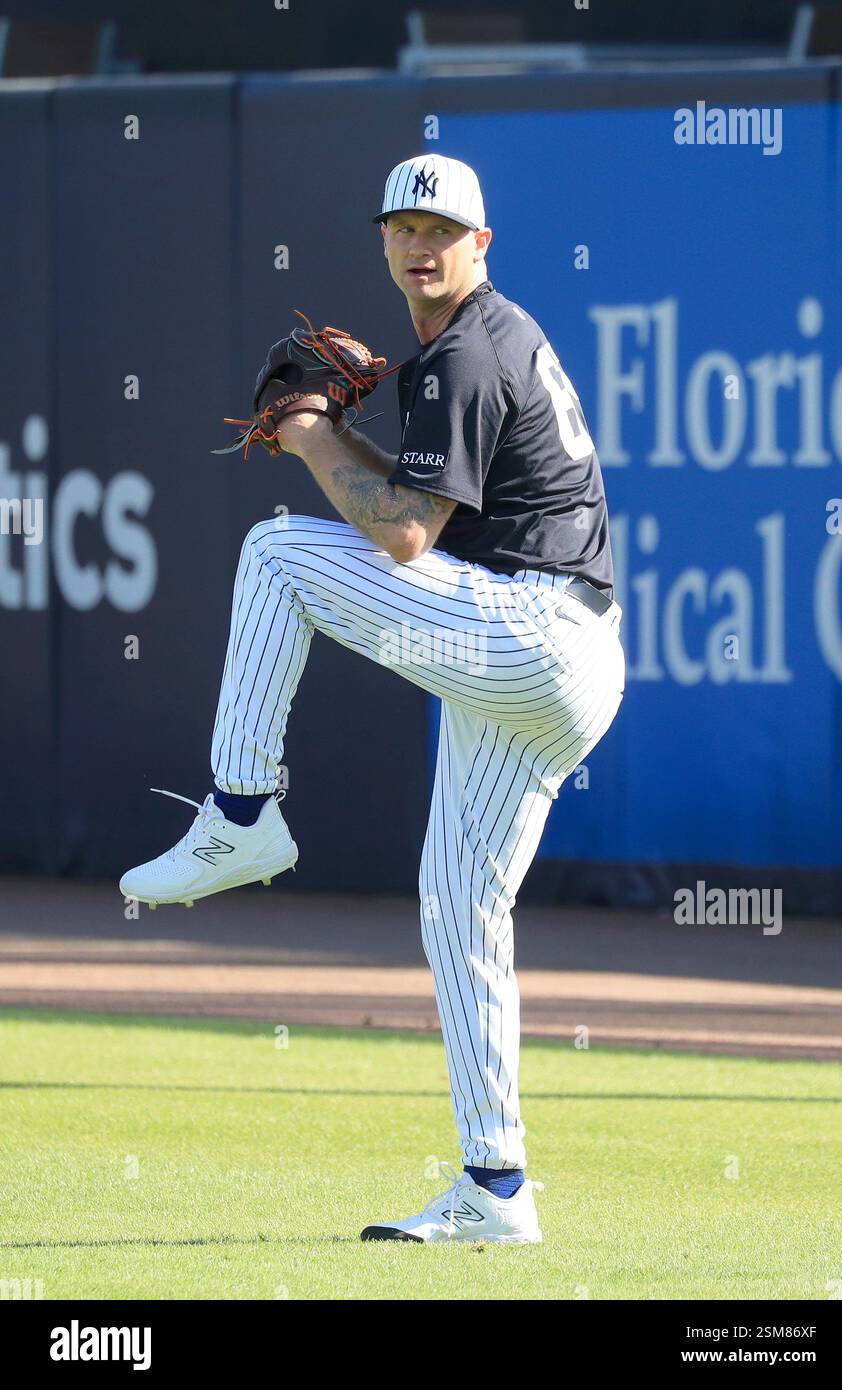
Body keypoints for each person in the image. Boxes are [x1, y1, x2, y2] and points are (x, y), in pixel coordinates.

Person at [120, 154, 625, 1244]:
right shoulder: (478, 341)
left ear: (480, 244)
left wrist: (305, 431)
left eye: (440, 225)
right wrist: (328, 431)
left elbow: (398, 537)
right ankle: (496, 1189)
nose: (418, 242)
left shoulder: (465, 351)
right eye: (401, 222)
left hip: (530, 632)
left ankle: (240, 816)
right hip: (561, 654)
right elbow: (405, 504)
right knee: (456, 903)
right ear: (381, 238)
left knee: (273, 556)